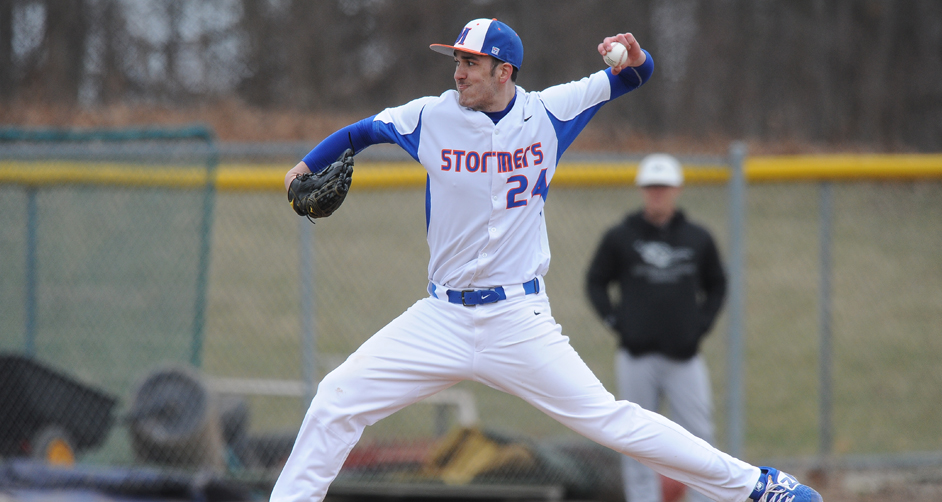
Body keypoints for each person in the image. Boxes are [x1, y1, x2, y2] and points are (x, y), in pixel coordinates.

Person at [270, 18, 823, 502]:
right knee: (335, 400)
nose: (458, 73)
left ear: (504, 71)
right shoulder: (429, 118)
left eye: (470, 63)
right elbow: (360, 131)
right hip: (439, 318)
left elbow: (633, 75)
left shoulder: (550, 112)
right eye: (456, 61)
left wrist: (638, 56)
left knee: (612, 422)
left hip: (517, 321)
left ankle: (758, 486)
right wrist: (304, 165)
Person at [586, 153, 727, 502]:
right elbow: (595, 281)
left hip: (685, 356)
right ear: (642, 190)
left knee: (699, 438)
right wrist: (616, 322)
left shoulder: (698, 238)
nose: (657, 194)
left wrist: (700, 326)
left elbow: (718, 284)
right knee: (635, 439)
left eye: (663, 187)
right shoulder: (621, 236)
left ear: (677, 189)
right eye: (651, 187)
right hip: (636, 356)